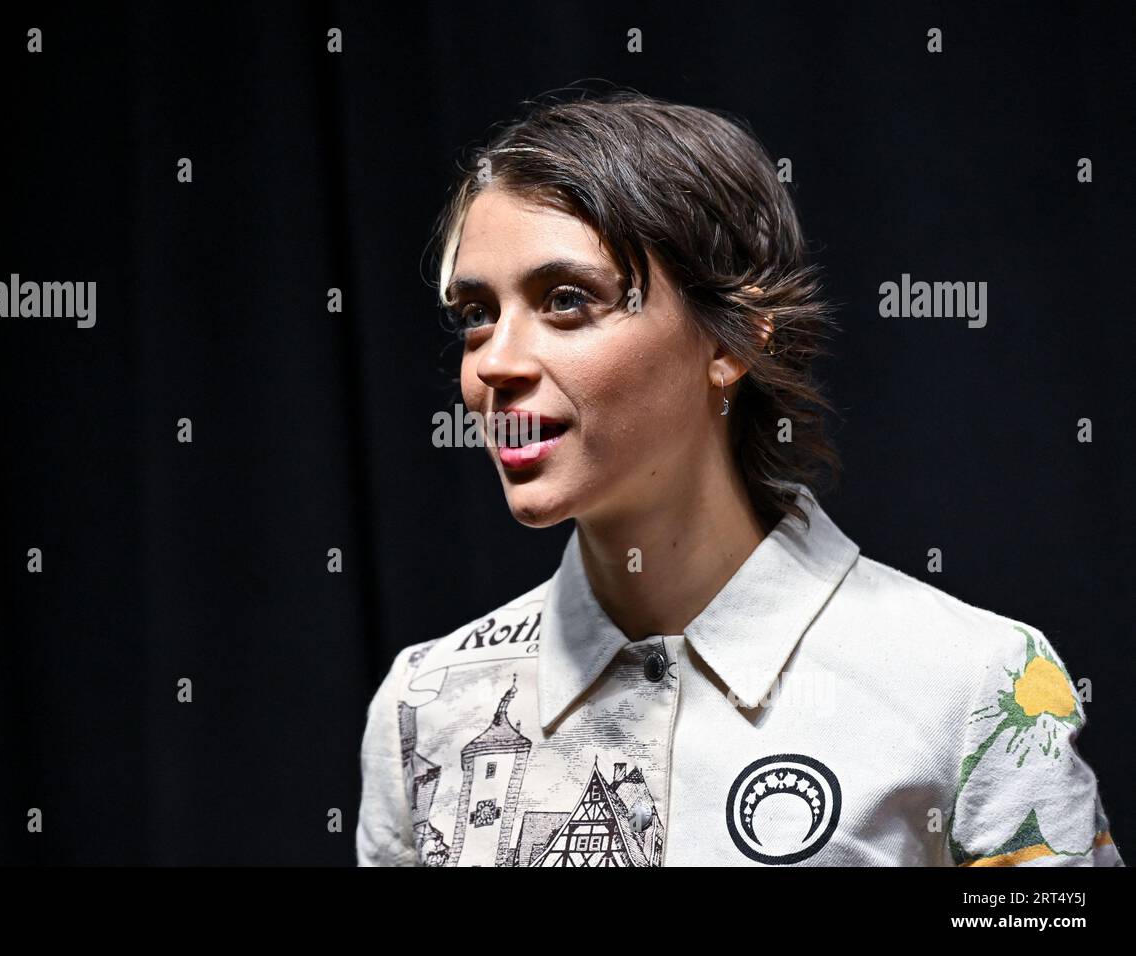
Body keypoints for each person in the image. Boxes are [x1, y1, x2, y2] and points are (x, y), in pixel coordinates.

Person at [356, 89, 1123, 867]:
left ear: (731, 343)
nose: (494, 363)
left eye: (566, 300)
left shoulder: (977, 684)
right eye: (476, 313)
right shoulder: (422, 703)